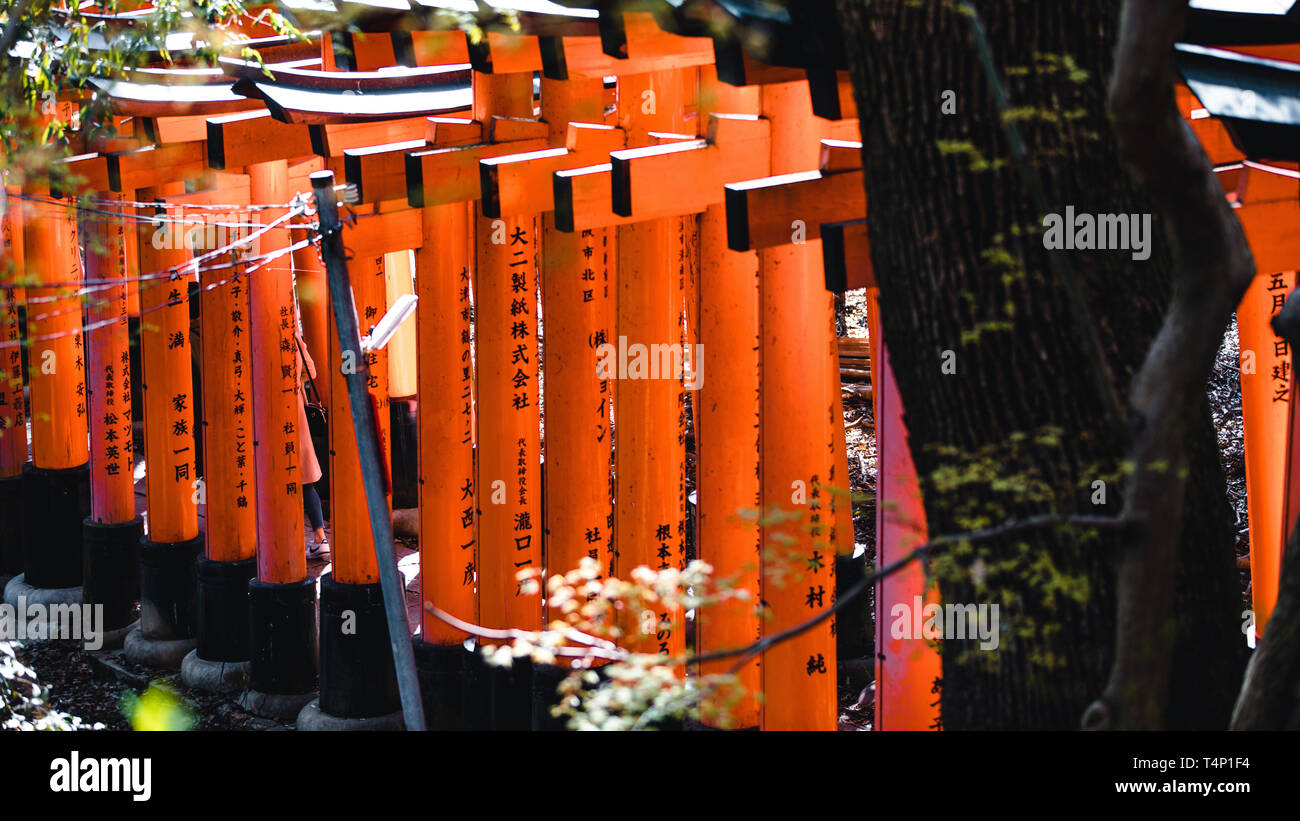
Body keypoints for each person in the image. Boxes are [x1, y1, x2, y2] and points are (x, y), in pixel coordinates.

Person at [297, 328, 328, 559]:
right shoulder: (294, 334)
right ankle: (320, 537)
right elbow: (311, 372)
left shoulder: (256, 328)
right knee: (305, 479)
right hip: (296, 409)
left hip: (266, 411)